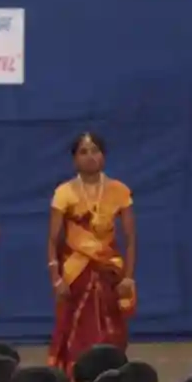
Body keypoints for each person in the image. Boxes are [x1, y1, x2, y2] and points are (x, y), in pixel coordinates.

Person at [48, 132, 137, 369]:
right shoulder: (64, 192)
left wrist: (128, 277)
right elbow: (53, 240)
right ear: (74, 159)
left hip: (109, 272)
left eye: (95, 150)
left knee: (112, 332)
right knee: (74, 333)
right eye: (83, 152)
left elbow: (129, 239)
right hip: (75, 274)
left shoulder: (119, 190)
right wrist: (56, 279)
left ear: (104, 155)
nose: (90, 157)